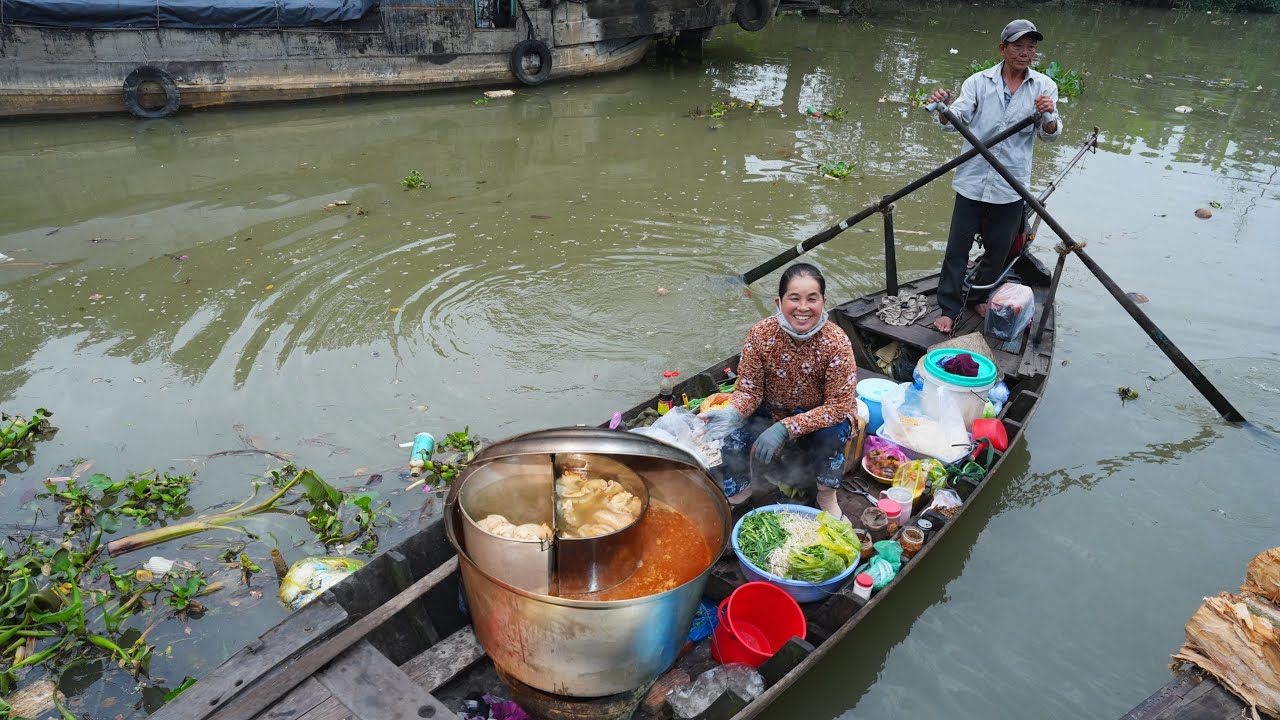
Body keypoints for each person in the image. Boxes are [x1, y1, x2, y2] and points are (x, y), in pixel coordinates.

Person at [926, 18, 1062, 334]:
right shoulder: (977, 83)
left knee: (999, 250)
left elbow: (1050, 136)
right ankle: (948, 307)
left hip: (1010, 184)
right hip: (972, 179)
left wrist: (1049, 115)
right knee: (957, 249)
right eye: (1018, 46)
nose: (1025, 52)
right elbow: (955, 120)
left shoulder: (1044, 87)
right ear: (1003, 49)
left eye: (1031, 46)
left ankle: (977, 295)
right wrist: (942, 109)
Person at [698, 263, 857, 515]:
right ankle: (739, 491)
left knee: (834, 431)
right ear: (779, 302)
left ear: (823, 302)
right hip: (771, 408)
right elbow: (749, 391)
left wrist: (786, 428)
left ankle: (827, 497)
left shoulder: (837, 342)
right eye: (794, 298)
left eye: (812, 299)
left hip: (818, 417)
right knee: (733, 428)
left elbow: (837, 407)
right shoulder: (760, 334)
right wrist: (734, 412)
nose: (803, 308)